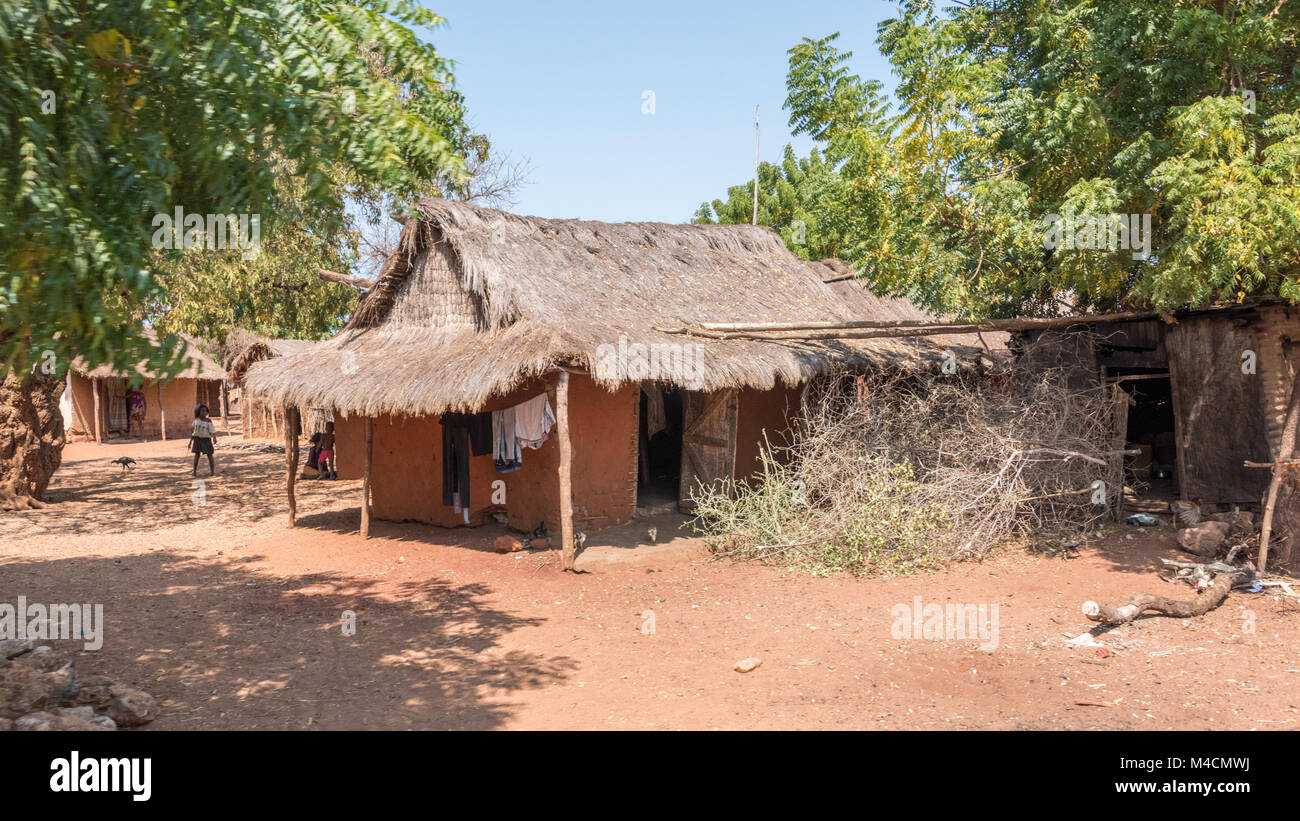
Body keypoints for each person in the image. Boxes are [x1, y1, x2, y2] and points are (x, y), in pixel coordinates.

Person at [190, 404, 216, 477]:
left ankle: (212, 472)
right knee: (197, 455)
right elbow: (193, 432)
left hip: (206, 440)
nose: (204, 412)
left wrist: (214, 438)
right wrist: (190, 442)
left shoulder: (208, 421)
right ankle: (194, 471)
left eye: (205, 411)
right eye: (202, 411)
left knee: (210, 455)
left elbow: (212, 431)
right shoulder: (196, 421)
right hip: (197, 440)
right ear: (198, 412)